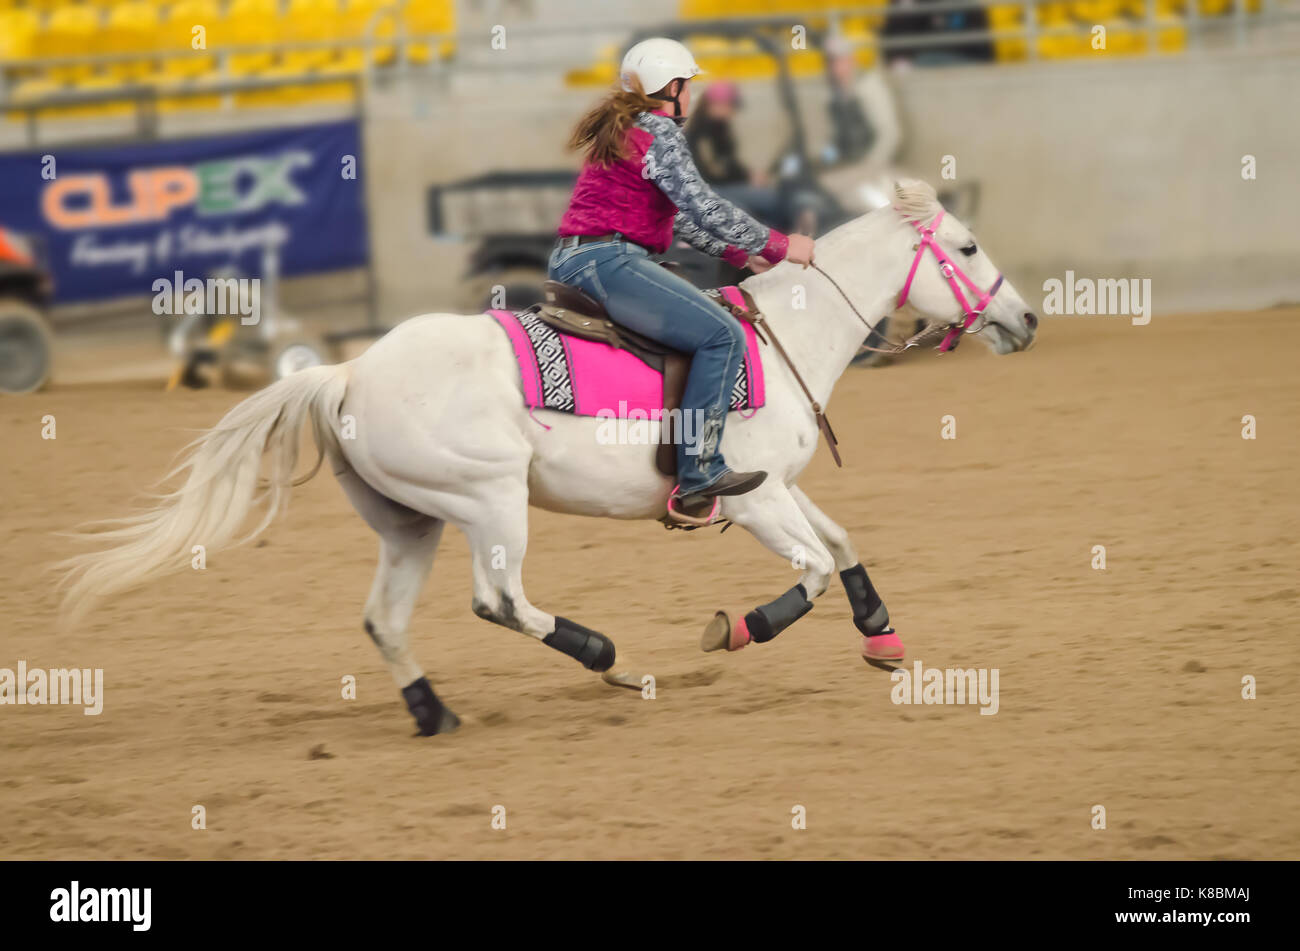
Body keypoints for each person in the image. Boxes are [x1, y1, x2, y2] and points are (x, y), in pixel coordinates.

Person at [550, 38, 815, 522]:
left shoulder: (628, 129)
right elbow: (704, 205)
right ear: (670, 88)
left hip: (584, 260)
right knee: (721, 334)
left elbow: (680, 221)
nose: (691, 94)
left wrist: (741, 253)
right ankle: (698, 473)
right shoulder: (658, 131)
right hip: (608, 261)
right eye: (688, 84)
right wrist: (778, 245)